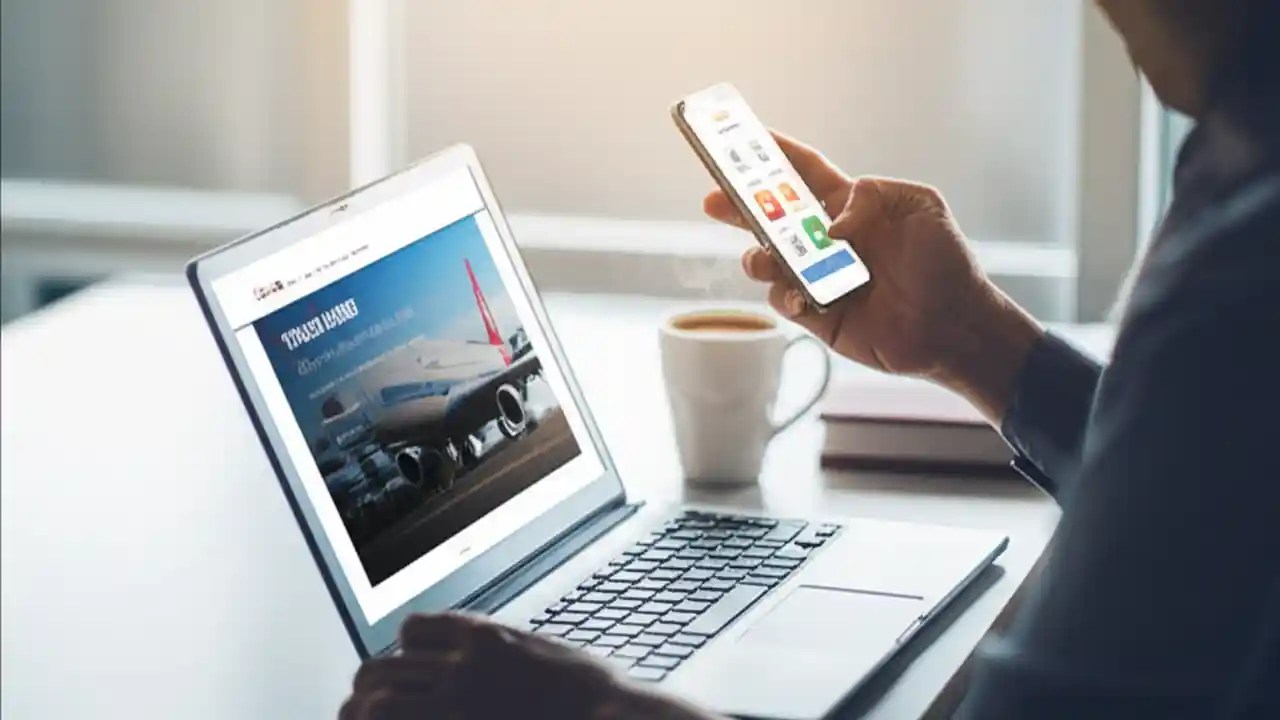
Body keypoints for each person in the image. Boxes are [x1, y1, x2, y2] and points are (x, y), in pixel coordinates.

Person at [339, 1, 1279, 717]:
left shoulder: (1244, 242)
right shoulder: (1239, 153)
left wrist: (599, 708)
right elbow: (1229, 492)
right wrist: (969, 338)